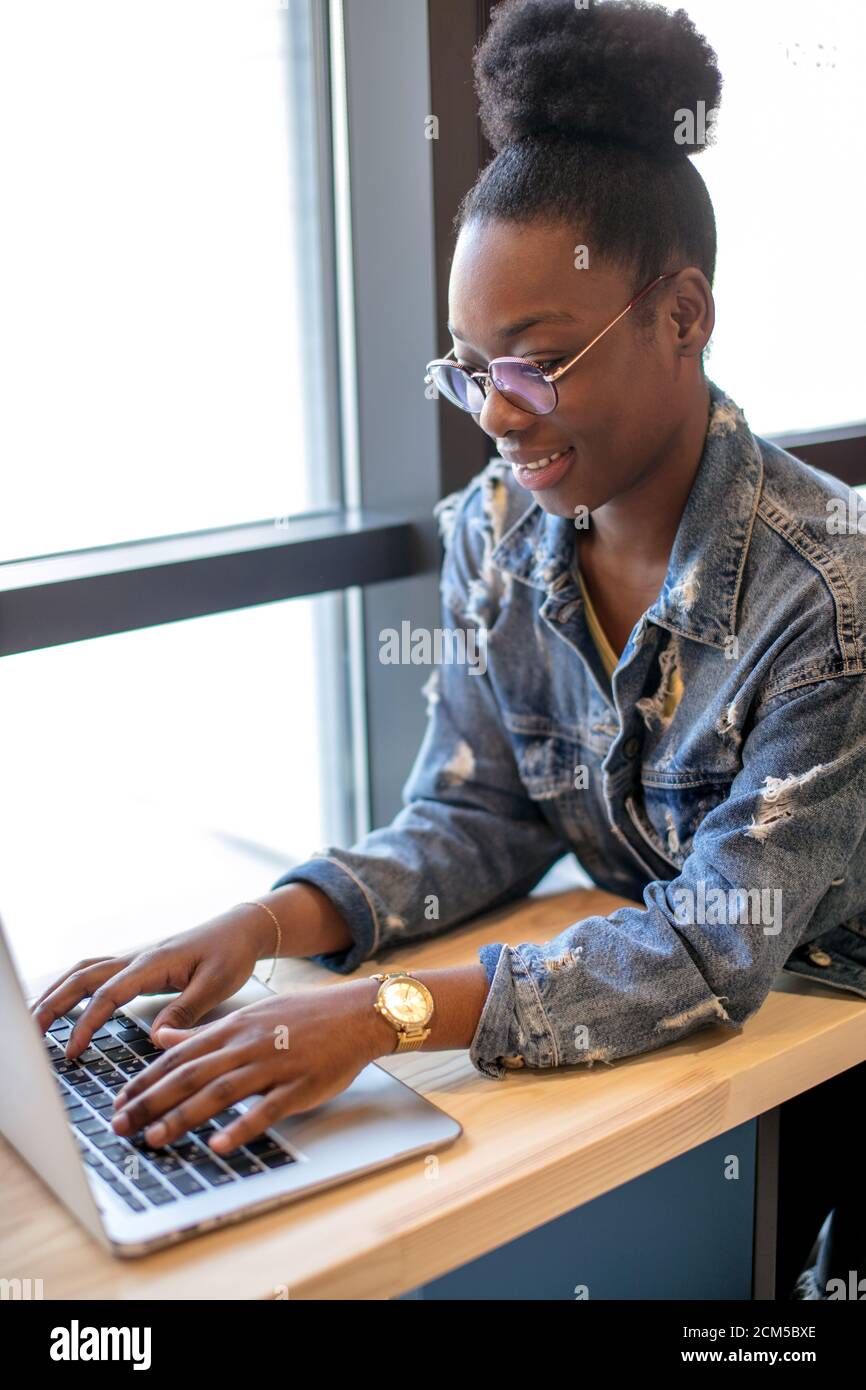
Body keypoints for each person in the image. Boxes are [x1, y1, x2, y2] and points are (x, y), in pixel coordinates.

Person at [30, 0, 866, 1287]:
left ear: (682, 315)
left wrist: (382, 1011)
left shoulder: (829, 592)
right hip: (692, 1040)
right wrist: (269, 924)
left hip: (828, 1035)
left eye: (532, 362)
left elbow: (711, 940)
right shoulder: (497, 531)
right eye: (466, 369)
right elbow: (474, 817)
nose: (496, 416)